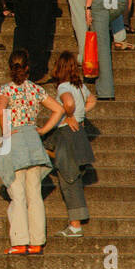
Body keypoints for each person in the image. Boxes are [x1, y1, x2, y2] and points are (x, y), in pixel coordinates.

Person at [0, 50, 63, 255]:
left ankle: (20, 240)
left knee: (18, 195)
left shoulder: (6, 89)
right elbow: (59, 109)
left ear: (10, 67)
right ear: (27, 67)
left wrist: (5, 131)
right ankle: (37, 241)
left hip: (16, 140)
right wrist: (43, 129)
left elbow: (1, 111)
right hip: (33, 141)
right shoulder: (35, 89)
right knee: (35, 195)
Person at [45, 51, 96, 237]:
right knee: (70, 174)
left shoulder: (63, 86)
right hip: (78, 134)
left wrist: (70, 115)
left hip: (66, 134)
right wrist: (81, 114)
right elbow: (92, 100)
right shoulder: (81, 87)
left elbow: (67, 102)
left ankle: (75, 225)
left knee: (69, 178)